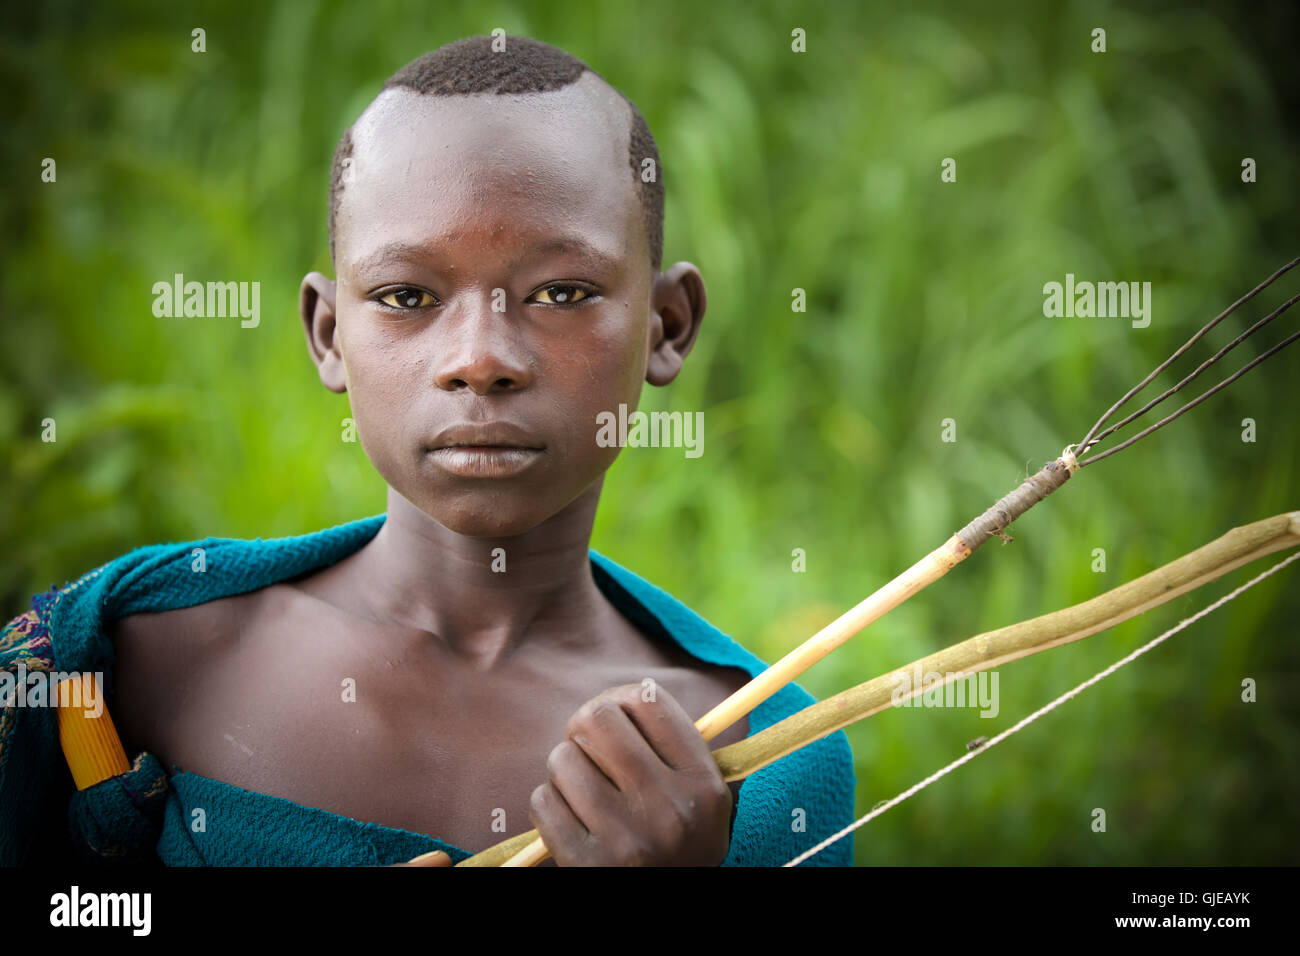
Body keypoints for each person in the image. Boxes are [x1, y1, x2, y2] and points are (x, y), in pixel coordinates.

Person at [0, 34, 855, 867]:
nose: (479, 359)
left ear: (668, 326)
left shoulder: (756, 752)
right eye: (407, 295)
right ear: (329, 334)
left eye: (561, 292)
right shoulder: (137, 655)